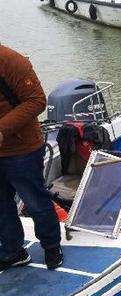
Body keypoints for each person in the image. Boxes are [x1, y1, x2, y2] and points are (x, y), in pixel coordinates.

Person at [0, 44, 63, 270]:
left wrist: (2, 129)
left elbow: (36, 100)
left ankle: (52, 247)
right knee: (2, 206)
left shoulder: (11, 61)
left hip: (22, 149)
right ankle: (13, 251)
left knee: (35, 201)